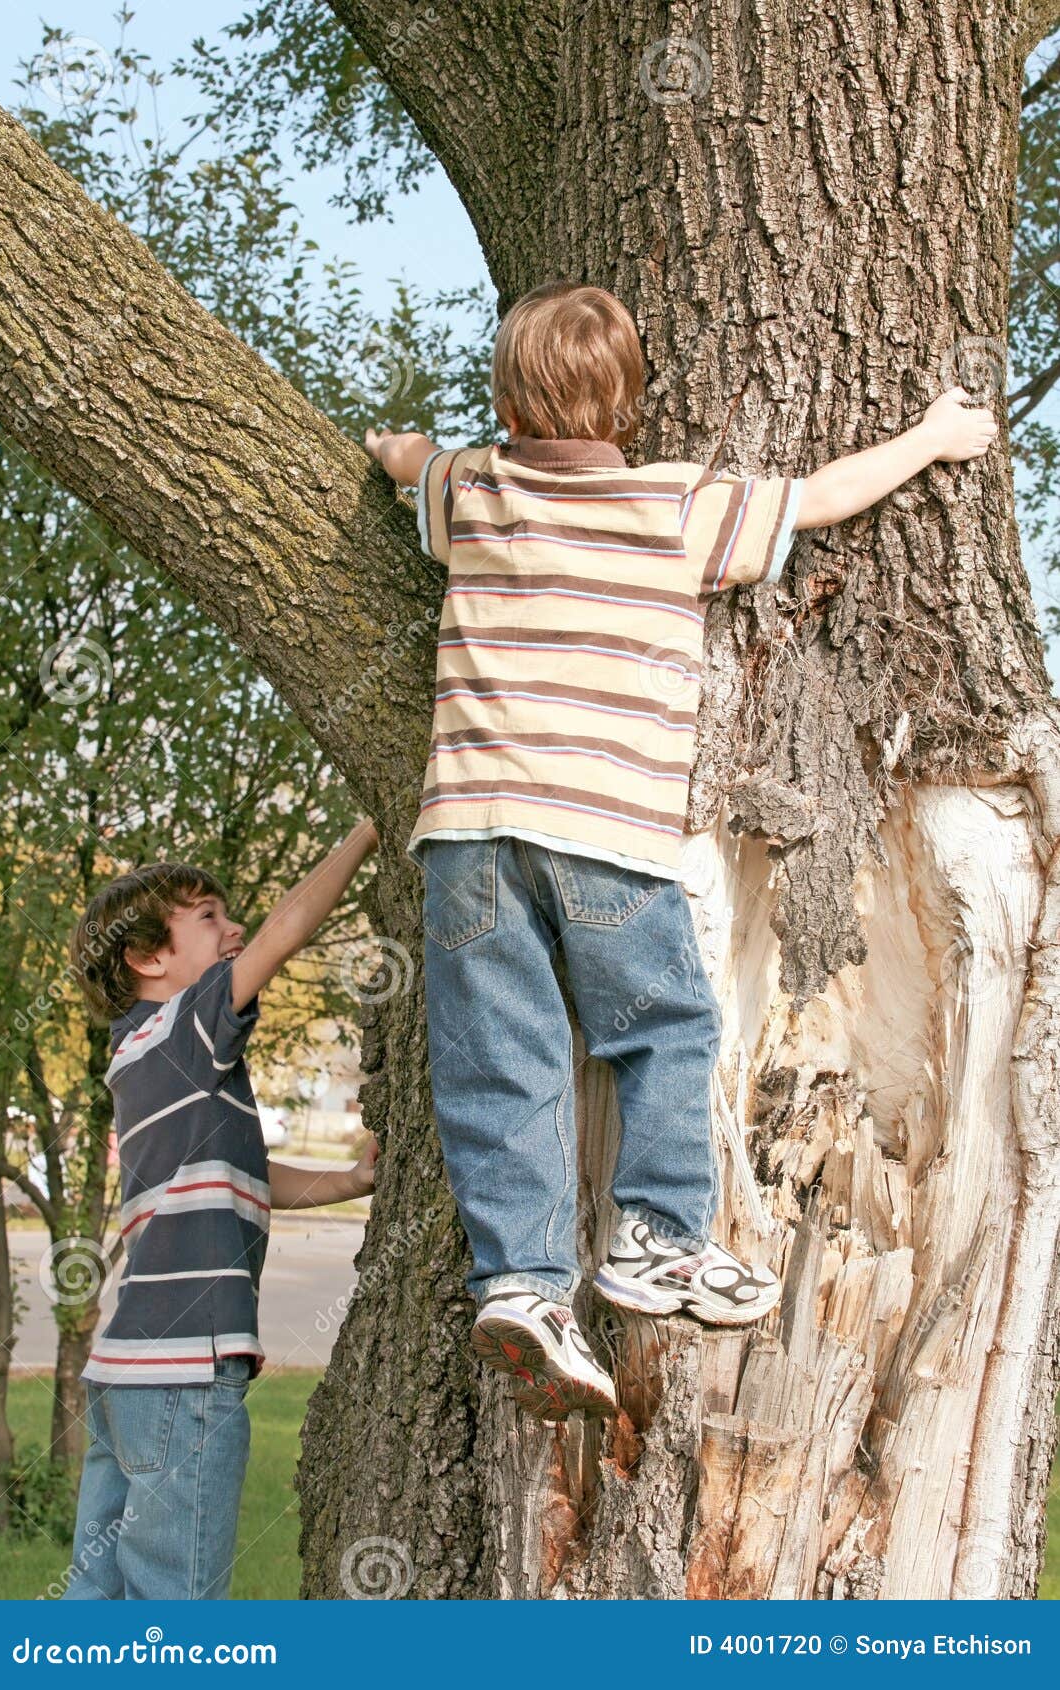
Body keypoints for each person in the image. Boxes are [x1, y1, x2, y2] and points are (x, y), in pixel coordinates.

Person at [365, 280, 997, 1420]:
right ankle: (656, 1235)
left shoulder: (477, 489)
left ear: (505, 404)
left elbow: (416, 464)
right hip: (602, 829)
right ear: (629, 406)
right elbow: (820, 496)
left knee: (497, 1061)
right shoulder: (675, 503)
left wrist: (394, 449)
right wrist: (933, 437)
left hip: (467, 837)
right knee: (661, 1025)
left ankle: (521, 1284)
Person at [61, 821, 380, 1598]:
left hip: (126, 1374)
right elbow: (282, 934)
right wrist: (364, 835)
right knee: (176, 1606)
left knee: (97, 1601)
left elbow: (247, 1175)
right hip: (182, 1372)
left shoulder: (140, 1057)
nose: (233, 929)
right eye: (209, 918)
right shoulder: (182, 1030)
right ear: (148, 959)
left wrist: (349, 1181)